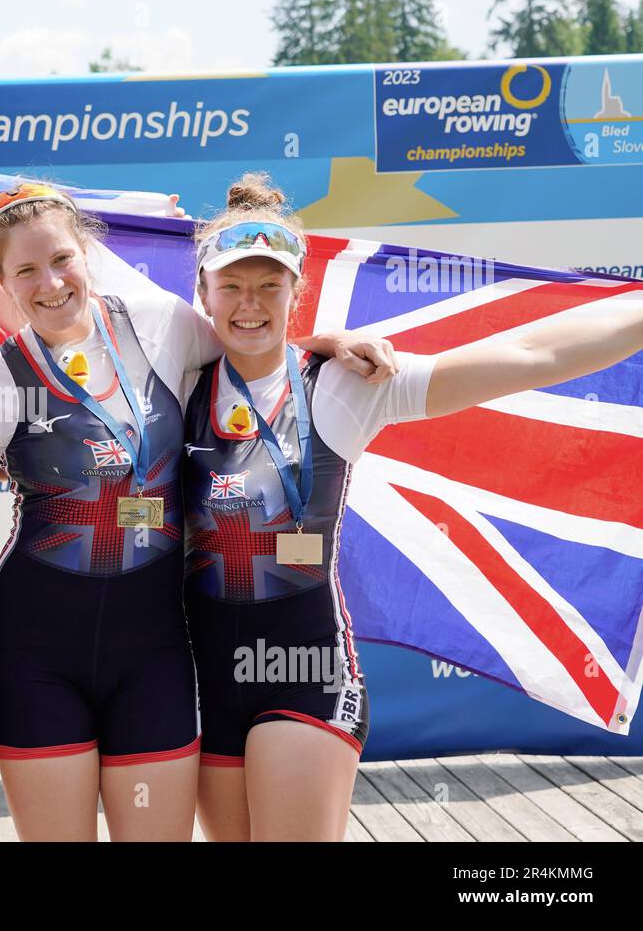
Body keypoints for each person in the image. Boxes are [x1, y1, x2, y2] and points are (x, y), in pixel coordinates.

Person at [183, 172, 643, 842]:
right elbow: (64, 305)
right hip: (204, 683)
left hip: (307, 679)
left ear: (296, 291)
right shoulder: (169, 385)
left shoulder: (347, 383)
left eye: (268, 286)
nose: (249, 303)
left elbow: (529, 351)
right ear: (202, 291)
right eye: (231, 285)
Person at [0, 183, 399, 841]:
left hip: (154, 654)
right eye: (25, 271)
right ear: (2, 278)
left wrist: (324, 344)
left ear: (88, 254)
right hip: (34, 652)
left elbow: (252, 342)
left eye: (63, 260)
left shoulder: (158, 324)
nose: (49, 283)